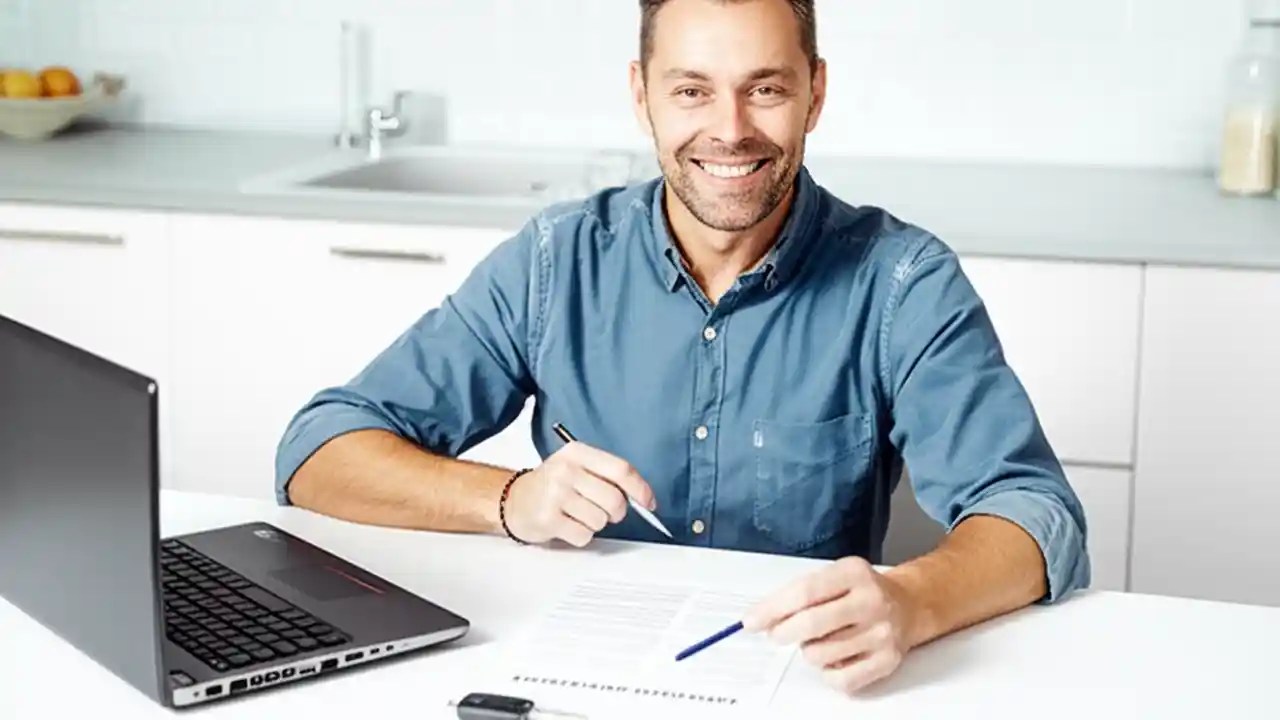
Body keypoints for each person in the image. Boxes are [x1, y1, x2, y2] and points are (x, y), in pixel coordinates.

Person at [274, 0, 1090, 696]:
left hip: (795, 684)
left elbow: (1035, 513)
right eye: (692, 90)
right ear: (643, 96)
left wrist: (912, 600)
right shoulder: (559, 260)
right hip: (578, 678)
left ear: (816, 93)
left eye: (765, 89)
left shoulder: (901, 281)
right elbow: (317, 452)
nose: (729, 132)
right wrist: (507, 500)